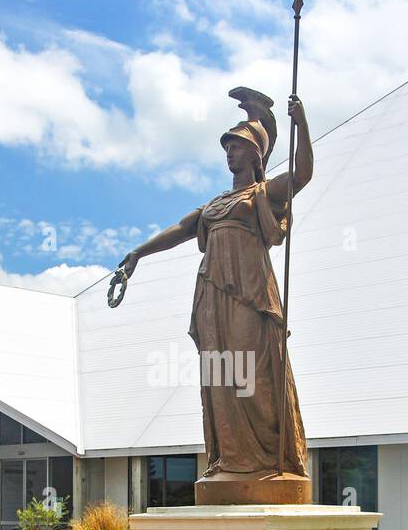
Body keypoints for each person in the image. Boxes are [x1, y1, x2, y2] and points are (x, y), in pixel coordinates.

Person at [113, 92, 315, 501]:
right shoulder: (216, 203)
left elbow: (302, 174)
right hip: (211, 293)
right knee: (219, 374)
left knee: (251, 373)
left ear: (255, 153)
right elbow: (180, 229)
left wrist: (302, 124)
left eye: (236, 146)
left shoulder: (263, 194)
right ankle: (230, 459)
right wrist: (138, 254)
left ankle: (265, 460)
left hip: (249, 293)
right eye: (227, 147)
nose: (229, 153)